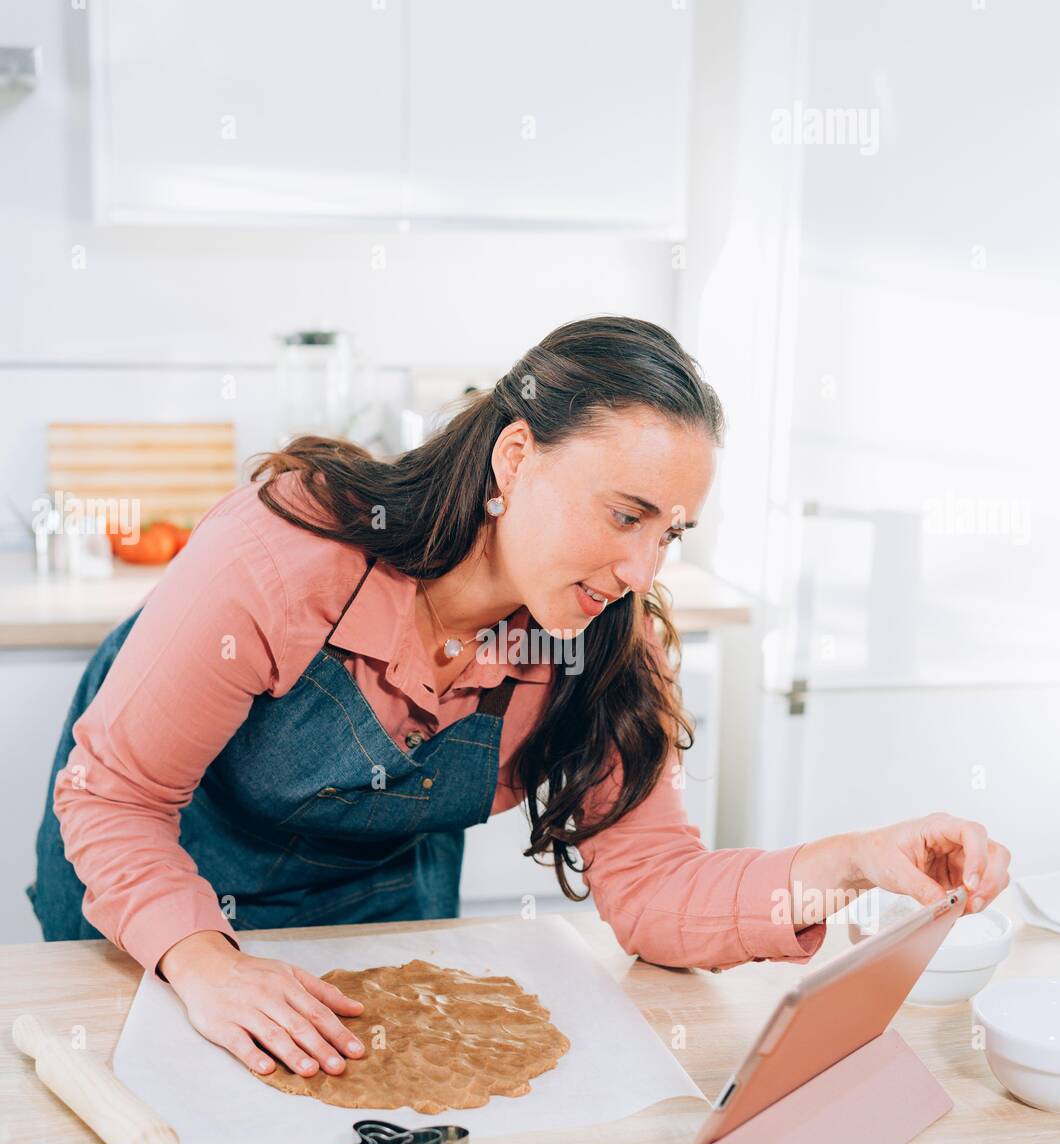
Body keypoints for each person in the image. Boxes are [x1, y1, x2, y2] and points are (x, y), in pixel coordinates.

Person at [27, 315, 1011, 1083]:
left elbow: (657, 893)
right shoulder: (284, 556)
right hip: (151, 888)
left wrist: (852, 860)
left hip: (375, 900)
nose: (641, 566)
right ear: (513, 460)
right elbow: (115, 801)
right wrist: (202, 963)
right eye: (624, 514)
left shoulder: (604, 650)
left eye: (669, 531)